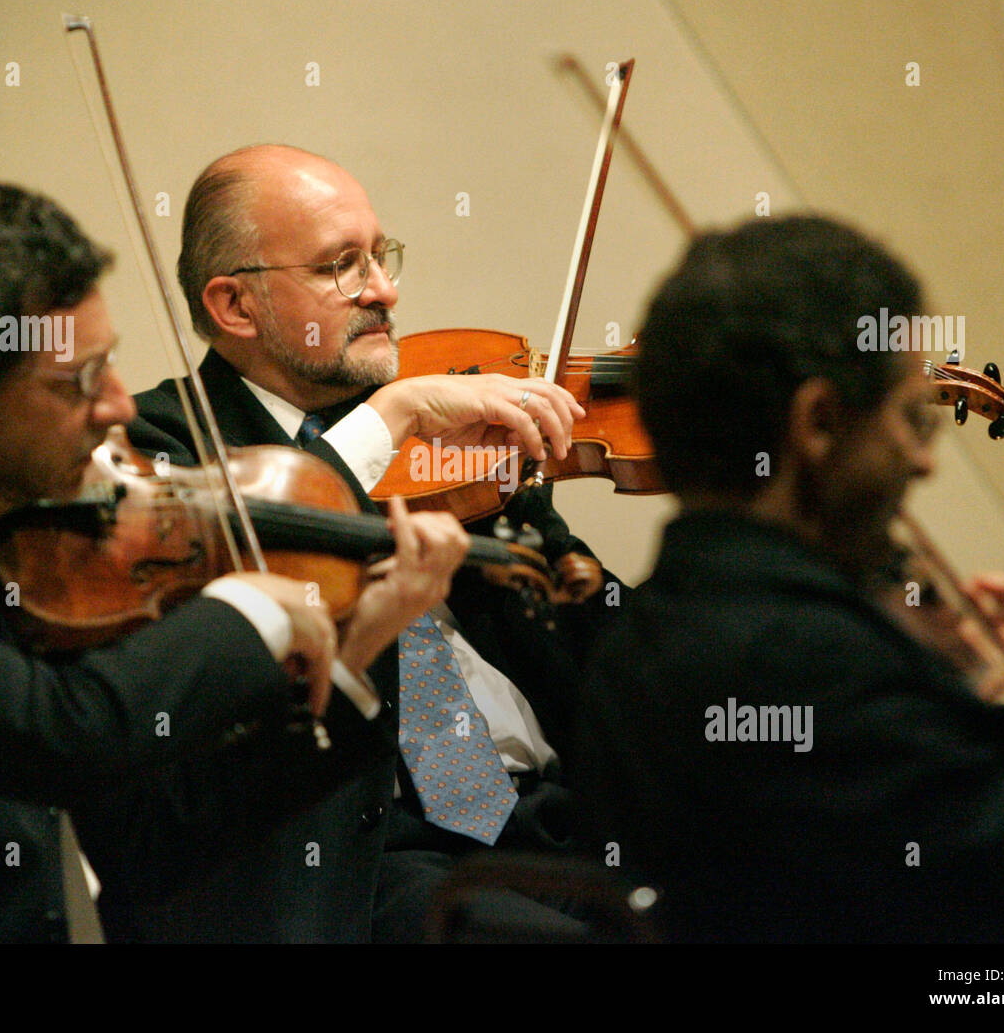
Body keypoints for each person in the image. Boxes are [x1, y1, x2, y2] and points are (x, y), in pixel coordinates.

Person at [0, 179, 467, 943]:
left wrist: (354, 656)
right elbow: (56, 736)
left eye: (111, 363)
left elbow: (157, 845)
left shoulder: (39, 553)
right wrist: (248, 611)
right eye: (79, 382)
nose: (123, 407)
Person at [113, 144, 623, 942]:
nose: (384, 290)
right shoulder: (163, 448)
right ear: (235, 306)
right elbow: (258, 562)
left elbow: (584, 621)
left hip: (553, 820)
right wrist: (387, 422)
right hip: (364, 851)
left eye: (381, 256)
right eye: (340, 267)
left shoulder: (456, 442)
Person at [572, 214, 1004, 942]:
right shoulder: (812, 670)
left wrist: (955, 693)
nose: (925, 463)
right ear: (819, 422)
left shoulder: (630, 648)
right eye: (912, 420)